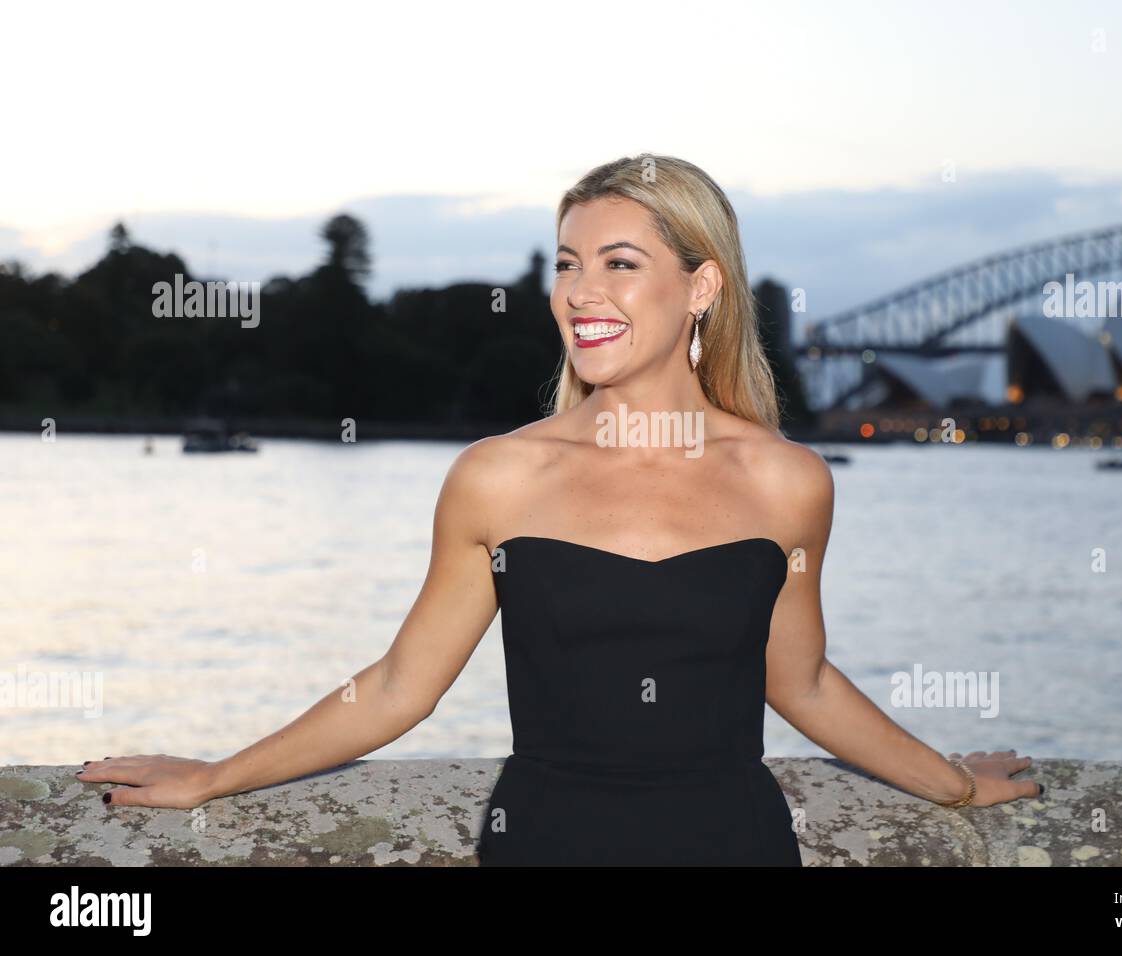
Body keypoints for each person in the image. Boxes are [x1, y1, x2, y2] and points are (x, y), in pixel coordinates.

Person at [76, 153, 1042, 865]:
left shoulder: (790, 482)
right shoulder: (498, 478)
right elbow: (399, 686)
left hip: (735, 846)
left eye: (619, 263)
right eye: (568, 264)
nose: (582, 293)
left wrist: (954, 783)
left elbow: (806, 683)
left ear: (701, 286)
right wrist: (216, 775)